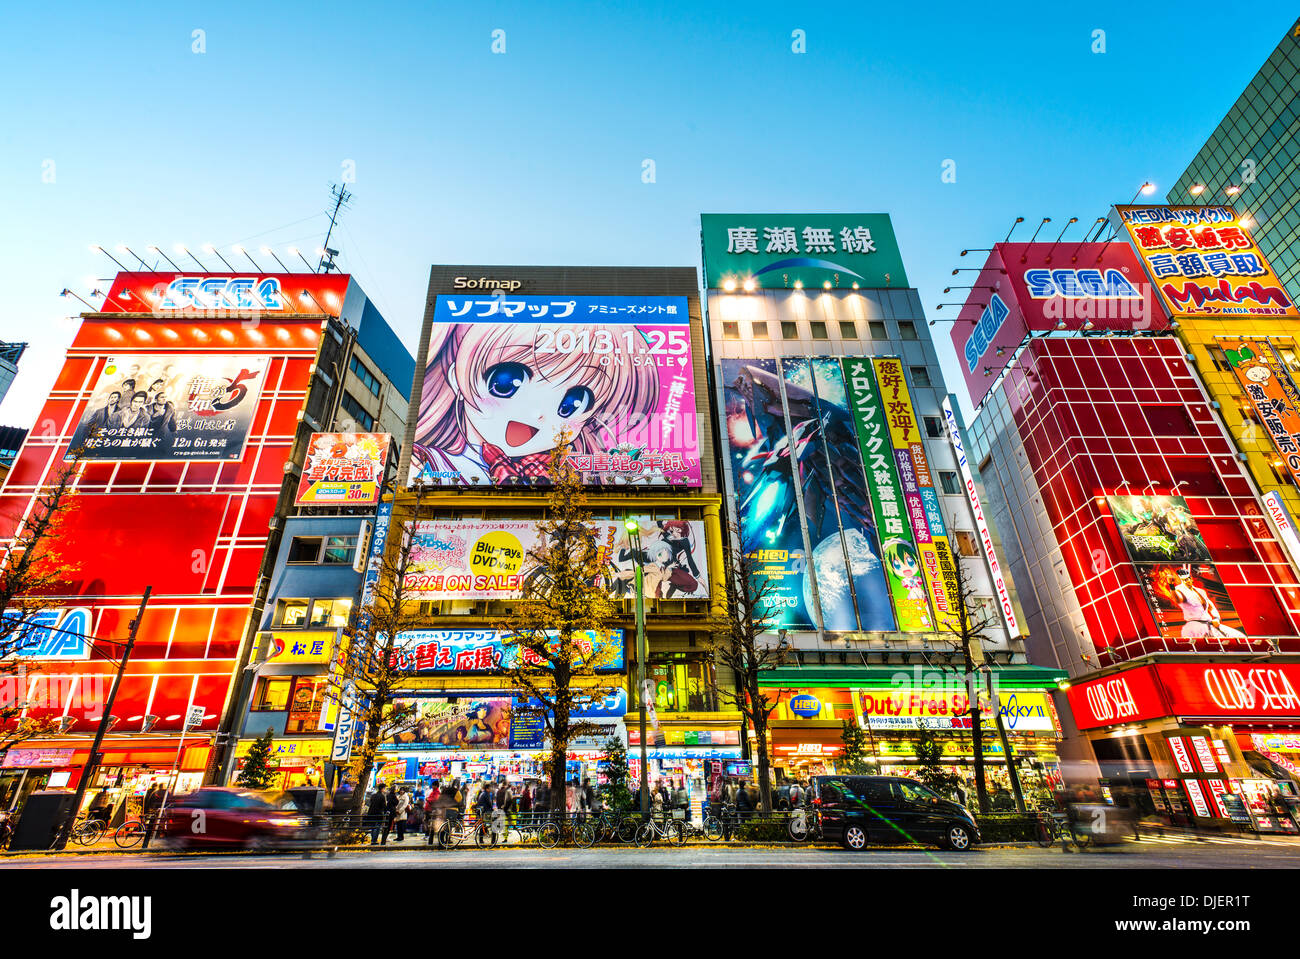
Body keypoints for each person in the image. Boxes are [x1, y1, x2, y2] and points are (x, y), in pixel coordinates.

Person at [408, 319, 663, 486]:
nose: (537, 414)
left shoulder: (574, 478)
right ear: (456, 377)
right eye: (506, 382)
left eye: (572, 404)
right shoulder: (427, 467)